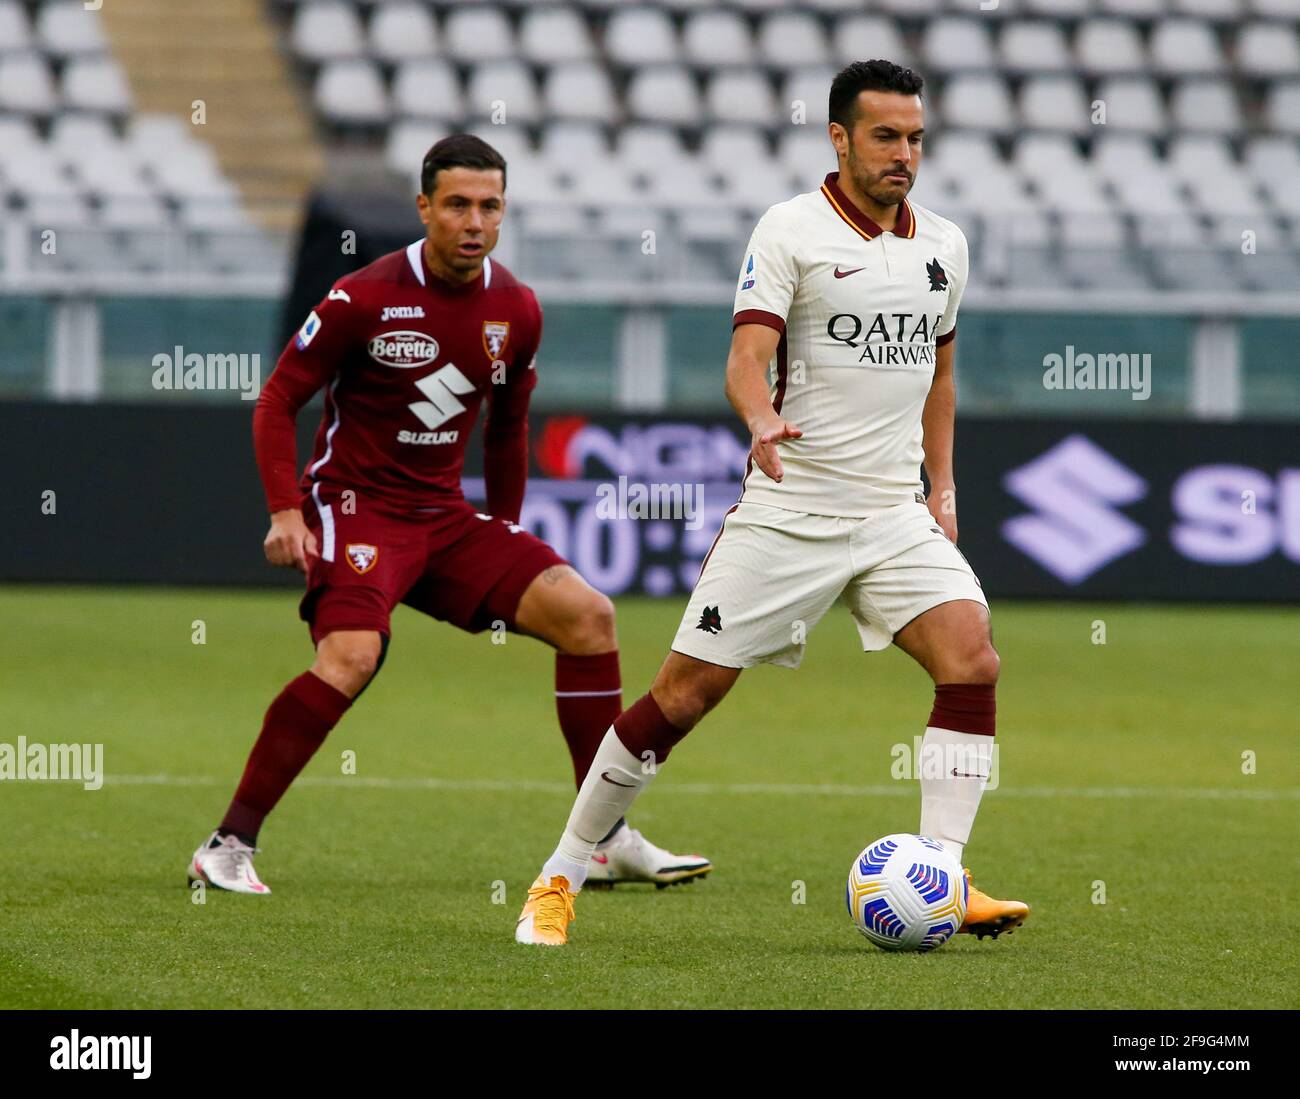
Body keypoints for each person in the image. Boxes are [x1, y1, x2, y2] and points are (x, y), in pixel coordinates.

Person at [515, 62, 1029, 946]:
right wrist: (760, 421)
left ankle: (942, 876)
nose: (904, 154)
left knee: (972, 660)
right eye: (885, 137)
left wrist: (942, 485)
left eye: (915, 138)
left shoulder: (944, 244)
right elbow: (745, 359)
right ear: (839, 138)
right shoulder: (789, 229)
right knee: (682, 696)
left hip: (891, 512)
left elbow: (940, 374)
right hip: (791, 507)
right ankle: (559, 874)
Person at [188, 135, 711, 895]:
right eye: (458, 204)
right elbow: (277, 400)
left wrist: (507, 527)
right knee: (351, 657)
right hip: (356, 509)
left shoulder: (516, 309)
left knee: (588, 615)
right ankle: (228, 842)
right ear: (425, 207)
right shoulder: (360, 296)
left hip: (443, 517)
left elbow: (505, 431)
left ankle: (600, 837)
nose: (474, 220)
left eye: (490, 205)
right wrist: (285, 512)